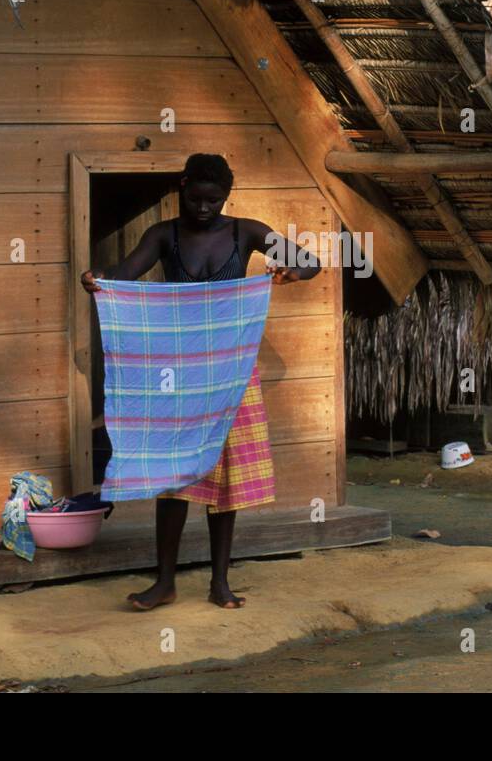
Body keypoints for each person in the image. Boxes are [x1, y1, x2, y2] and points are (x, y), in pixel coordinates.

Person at [81, 153, 321, 609]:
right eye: (196, 199)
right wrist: (96, 280)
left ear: (226, 197)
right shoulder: (162, 235)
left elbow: (310, 262)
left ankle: (220, 583)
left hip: (232, 373)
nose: (205, 208)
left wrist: (291, 271)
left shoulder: (246, 231)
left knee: (223, 481)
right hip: (179, 375)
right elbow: (123, 278)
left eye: (215, 200)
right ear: (183, 189)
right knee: (175, 477)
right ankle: (165, 582)